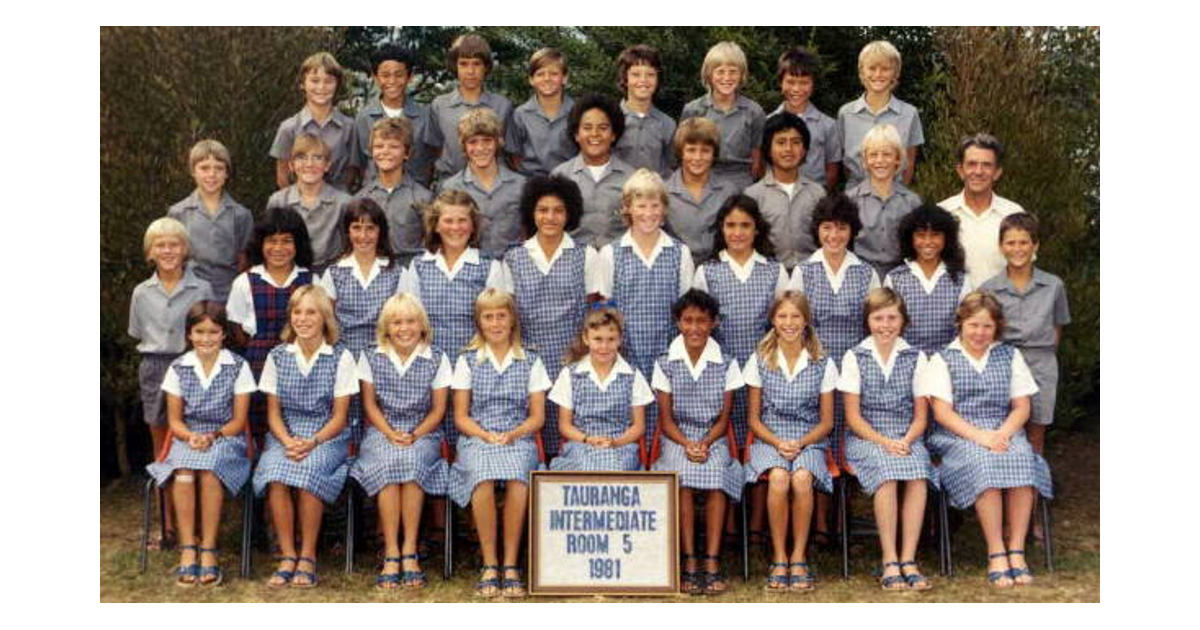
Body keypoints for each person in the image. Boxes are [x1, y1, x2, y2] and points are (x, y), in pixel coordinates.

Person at [923, 291, 1053, 588]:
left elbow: (1022, 407)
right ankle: (996, 551)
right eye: (973, 325)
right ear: (961, 324)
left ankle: (1016, 550)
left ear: (997, 327)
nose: (979, 332)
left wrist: (1003, 434)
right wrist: (981, 437)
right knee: (985, 463)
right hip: (959, 435)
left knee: (1022, 458)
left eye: (987, 326)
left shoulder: (1009, 355)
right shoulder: (943, 359)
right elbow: (942, 413)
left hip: (1004, 430)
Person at [252, 285, 359, 588]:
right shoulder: (277, 356)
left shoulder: (341, 357)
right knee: (276, 473)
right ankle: (288, 554)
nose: (303, 319)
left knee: (309, 471)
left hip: (327, 436)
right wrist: (288, 441)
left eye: (311, 312)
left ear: (324, 317)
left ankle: (308, 555)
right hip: (285, 434)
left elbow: (339, 417)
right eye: (297, 312)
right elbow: (273, 414)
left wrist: (312, 442)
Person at [448, 288, 552, 598]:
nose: (495, 323)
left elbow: (537, 417)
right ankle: (490, 563)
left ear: (512, 319)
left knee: (519, 479)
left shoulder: (530, 359)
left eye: (501, 316)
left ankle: (510, 564)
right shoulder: (467, 360)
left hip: (517, 437)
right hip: (478, 437)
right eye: (488, 317)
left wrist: (513, 434)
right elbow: (461, 416)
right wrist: (485, 435)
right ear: (479, 322)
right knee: (482, 478)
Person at [792, 192, 881, 540]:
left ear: (852, 231)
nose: (834, 235)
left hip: (854, 370)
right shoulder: (803, 271)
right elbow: (794, 325)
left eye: (841, 228)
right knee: (818, 438)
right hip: (813, 369)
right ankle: (817, 523)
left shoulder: (866, 273)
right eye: (827, 227)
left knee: (848, 438)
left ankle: (841, 521)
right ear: (818, 230)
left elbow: (874, 326)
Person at [146, 301, 254, 587]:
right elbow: (175, 420)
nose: (206, 338)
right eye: (200, 332)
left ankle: (208, 547)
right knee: (183, 470)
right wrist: (190, 436)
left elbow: (239, 421)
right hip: (187, 437)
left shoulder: (238, 366)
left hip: (226, 438)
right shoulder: (178, 368)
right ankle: (188, 547)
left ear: (224, 334)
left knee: (208, 469)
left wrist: (213, 436)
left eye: (213, 332)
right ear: (189, 334)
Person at [350, 294, 452, 590]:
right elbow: (370, 406)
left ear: (422, 325)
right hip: (382, 430)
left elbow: (438, 410)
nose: (404, 328)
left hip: (424, 431)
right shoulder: (371, 356)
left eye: (410, 321)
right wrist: (390, 432)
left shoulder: (437, 357)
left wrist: (415, 434)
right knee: (388, 463)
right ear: (386, 327)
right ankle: (391, 551)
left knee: (412, 461)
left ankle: (410, 550)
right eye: (396, 322)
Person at [839, 288, 934, 591]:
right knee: (888, 473)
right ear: (868, 321)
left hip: (906, 436)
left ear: (903, 321)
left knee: (918, 472)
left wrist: (906, 440)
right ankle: (890, 560)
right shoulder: (855, 356)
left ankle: (909, 559)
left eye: (892, 318)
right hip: (866, 438)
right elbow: (853, 418)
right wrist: (884, 442)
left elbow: (921, 417)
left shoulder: (916, 357)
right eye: (878, 318)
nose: (885, 325)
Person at [651, 289, 744, 595]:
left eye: (702, 321)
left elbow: (724, 419)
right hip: (677, 438)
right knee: (682, 478)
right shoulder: (665, 362)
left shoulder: (727, 363)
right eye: (688, 320)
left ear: (713, 323)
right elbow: (666, 420)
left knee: (716, 475)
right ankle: (690, 559)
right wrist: (688, 444)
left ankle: (713, 560)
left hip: (713, 437)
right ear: (678, 323)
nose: (694, 327)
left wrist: (704, 443)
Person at [130, 217, 214, 549]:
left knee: (193, 443)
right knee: (162, 448)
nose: (168, 251)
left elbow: (208, 330)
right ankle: (167, 527)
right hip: (154, 369)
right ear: (150, 252)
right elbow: (138, 332)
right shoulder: (141, 293)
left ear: (185, 249)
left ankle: (195, 528)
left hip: (191, 365)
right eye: (160, 245)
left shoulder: (201, 289)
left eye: (174, 244)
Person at [743, 291, 836, 591]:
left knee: (802, 478)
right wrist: (778, 442)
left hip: (809, 438)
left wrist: (800, 443)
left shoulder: (822, 361)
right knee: (779, 478)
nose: (789, 322)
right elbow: (754, 420)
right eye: (782, 316)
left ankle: (799, 556)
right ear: (773, 319)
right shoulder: (759, 359)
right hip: (770, 438)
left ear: (806, 320)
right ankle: (779, 556)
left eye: (796, 316)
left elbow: (827, 422)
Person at [400, 189, 510, 443]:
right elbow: (410, 320)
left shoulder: (489, 266)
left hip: (475, 363)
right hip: (429, 362)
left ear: (473, 226)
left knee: (471, 431)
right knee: (430, 434)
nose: (455, 228)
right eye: (448, 220)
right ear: (436, 225)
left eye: (462, 220)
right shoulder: (419, 265)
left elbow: (498, 323)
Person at [594, 169, 695, 442]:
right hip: (627, 352)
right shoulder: (611, 253)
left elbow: (687, 312)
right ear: (627, 208)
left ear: (664, 209)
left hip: (667, 351)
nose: (648, 213)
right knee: (630, 421)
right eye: (641, 205)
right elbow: (605, 312)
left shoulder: (680, 252)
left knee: (667, 421)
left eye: (655, 205)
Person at [502, 175, 598, 456]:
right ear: (532, 212)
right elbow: (508, 315)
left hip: (573, 357)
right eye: (543, 210)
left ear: (569, 214)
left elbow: (594, 310)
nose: (550, 217)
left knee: (571, 426)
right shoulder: (513, 257)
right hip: (529, 356)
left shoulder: (585, 255)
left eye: (558, 210)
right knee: (530, 429)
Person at [979, 213, 1070, 455]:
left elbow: (1058, 325)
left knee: (1036, 432)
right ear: (1001, 247)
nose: (1017, 249)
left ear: (1035, 245)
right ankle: (1004, 475)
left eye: (1024, 242)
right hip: (1003, 362)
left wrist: (1045, 354)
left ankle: (1034, 477)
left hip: (1041, 363)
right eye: (1010, 242)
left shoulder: (1053, 285)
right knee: (1003, 428)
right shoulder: (988, 289)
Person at [318, 198, 403, 444]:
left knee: (380, 414)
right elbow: (326, 322)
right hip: (345, 352)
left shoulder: (397, 272)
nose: (363, 235)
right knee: (345, 416)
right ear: (347, 231)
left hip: (385, 354)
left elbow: (405, 320)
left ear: (380, 231)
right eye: (356, 227)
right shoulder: (335, 272)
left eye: (370, 228)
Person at [226, 207, 315, 437]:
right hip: (258, 364)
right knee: (260, 426)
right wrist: (256, 352)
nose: (278, 248)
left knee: (298, 424)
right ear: (260, 244)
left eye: (286, 241)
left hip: (302, 364)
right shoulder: (244, 282)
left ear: (298, 244)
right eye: (271, 241)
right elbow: (237, 331)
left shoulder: (311, 280)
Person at [548, 307, 651, 471]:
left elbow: (638, 426)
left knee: (614, 467)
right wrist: (588, 439)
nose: (604, 346)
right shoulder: (570, 374)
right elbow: (564, 425)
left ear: (620, 340)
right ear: (586, 338)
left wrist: (616, 442)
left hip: (621, 446)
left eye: (611, 339)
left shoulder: (632, 375)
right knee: (585, 467)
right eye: (597, 339)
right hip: (581, 444)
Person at [167, 139, 253, 302]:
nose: (212, 174)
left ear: (227, 173)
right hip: (189, 297)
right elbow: (172, 261)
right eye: (204, 168)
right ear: (193, 171)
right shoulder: (178, 213)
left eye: (219, 168)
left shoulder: (241, 215)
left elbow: (245, 263)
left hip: (230, 297)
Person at [939, 133, 1025, 288]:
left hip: (1002, 303)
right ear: (960, 170)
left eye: (986, 165)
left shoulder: (1014, 214)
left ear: (997, 172)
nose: (978, 171)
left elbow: (1024, 269)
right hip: (953, 303)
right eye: (972, 164)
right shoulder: (942, 213)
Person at [884, 203, 971, 355]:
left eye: (935, 235)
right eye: (921, 235)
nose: (928, 242)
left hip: (948, 359)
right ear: (910, 238)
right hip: (906, 358)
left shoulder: (960, 279)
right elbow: (889, 324)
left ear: (947, 237)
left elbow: (966, 324)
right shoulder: (895, 278)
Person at [440, 108, 527, 258]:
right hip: (469, 267)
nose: (480, 148)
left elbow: (527, 232)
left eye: (487, 140)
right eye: (473, 142)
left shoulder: (520, 185)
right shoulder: (451, 188)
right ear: (464, 145)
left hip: (512, 265)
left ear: (497, 142)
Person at [426, 34, 513, 183]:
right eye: (463, 64)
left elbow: (509, 153)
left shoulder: (502, 106)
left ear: (486, 67)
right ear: (455, 66)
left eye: (477, 64)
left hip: (492, 185)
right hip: (450, 185)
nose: (470, 71)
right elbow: (435, 149)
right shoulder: (440, 105)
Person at [744, 112, 826, 270]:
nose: (788, 149)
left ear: (804, 149)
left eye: (796, 142)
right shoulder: (753, 196)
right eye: (781, 142)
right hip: (768, 275)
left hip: (811, 274)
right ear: (768, 149)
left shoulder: (818, 193)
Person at [551, 93, 634, 248]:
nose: (595, 134)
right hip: (572, 258)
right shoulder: (559, 176)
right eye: (587, 128)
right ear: (576, 134)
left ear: (614, 135)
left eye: (603, 128)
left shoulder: (631, 178)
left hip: (619, 259)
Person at [837, 40, 924, 188]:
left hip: (895, 195)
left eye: (885, 69)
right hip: (854, 195)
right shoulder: (846, 114)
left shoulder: (910, 114)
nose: (878, 74)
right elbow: (843, 164)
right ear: (862, 72)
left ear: (895, 73)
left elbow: (909, 164)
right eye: (872, 68)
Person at [681, 41, 765, 191]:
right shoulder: (693, 110)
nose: (726, 77)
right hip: (703, 181)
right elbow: (683, 154)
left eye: (733, 72)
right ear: (709, 75)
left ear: (742, 75)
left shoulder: (754, 112)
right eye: (720, 71)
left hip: (741, 183)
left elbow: (756, 161)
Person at [270, 51, 359, 191]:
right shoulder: (288, 128)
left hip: (338, 200)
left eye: (328, 81)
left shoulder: (349, 127)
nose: (321, 87)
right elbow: (282, 176)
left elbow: (351, 172)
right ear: (302, 84)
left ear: (337, 85)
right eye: (315, 81)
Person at [265, 133, 352, 272]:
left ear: (327, 165)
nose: (309, 164)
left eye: (317, 158)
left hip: (332, 273)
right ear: (291, 165)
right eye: (301, 157)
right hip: (289, 272)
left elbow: (350, 246)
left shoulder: (344, 202)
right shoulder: (278, 201)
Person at [353, 117, 432, 266]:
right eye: (379, 146)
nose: (385, 151)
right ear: (371, 152)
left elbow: (430, 244)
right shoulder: (361, 199)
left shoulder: (423, 198)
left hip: (411, 270)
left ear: (407, 153)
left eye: (394, 146)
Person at [845, 124, 921, 278]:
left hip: (901, 277)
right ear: (865, 160)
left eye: (887, 154)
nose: (880, 160)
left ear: (898, 159)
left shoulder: (912, 202)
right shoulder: (849, 200)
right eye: (873, 155)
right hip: (859, 277)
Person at [353, 44, 434, 188]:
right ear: (376, 77)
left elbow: (431, 161)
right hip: (374, 196)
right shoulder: (364, 118)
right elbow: (358, 164)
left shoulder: (425, 117)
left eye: (399, 75)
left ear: (409, 77)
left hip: (415, 196)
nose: (392, 81)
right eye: (385, 75)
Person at [665, 117, 737, 264]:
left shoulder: (729, 191)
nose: (697, 157)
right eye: (691, 150)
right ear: (680, 152)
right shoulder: (663, 192)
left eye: (705, 151)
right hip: (675, 267)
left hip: (719, 268)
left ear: (714, 154)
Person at [770, 47, 841, 189]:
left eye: (804, 82)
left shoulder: (828, 125)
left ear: (813, 84)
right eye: (790, 82)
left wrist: (820, 197)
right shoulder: (768, 123)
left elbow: (832, 170)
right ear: (781, 82)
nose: (796, 89)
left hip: (816, 198)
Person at [506, 47, 576, 178]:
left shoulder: (578, 112)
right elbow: (514, 158)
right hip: (531, 182)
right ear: (531, 80)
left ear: (565, 78)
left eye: (554, 74)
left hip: (570, 181)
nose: (547, 78)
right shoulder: (520, 115)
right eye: (540, 74)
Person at [613, 44, 677, 177]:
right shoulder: (610, 119)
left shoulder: (668, 124)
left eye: (650, 74)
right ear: (625, 78)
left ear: (658, 79)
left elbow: (672, 168)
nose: (643, 80)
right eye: (636, 74)